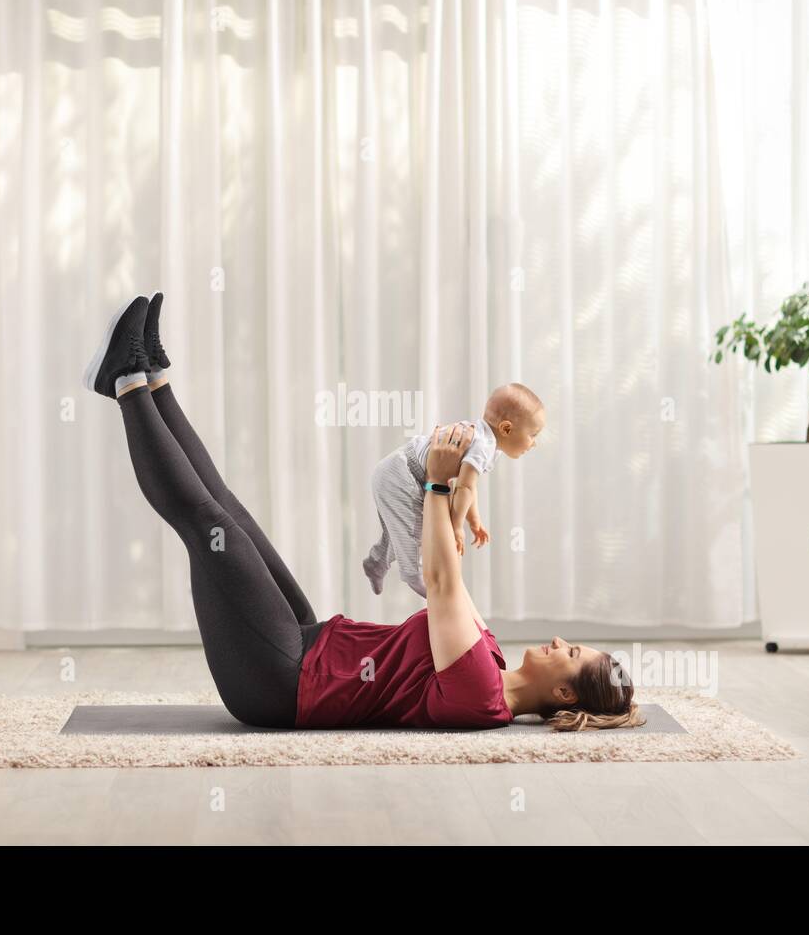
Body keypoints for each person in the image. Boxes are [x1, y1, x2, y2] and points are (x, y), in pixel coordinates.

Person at [83, 292, 643, 731]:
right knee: (232, 513)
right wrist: (448, 490)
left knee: (210, 526)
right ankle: (153, 377)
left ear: (564, 693)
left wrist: (438, 482)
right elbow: (447, 571)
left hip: (281, 682)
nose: (559, 642)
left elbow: (440, 582)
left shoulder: (481, 691)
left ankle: (124, 382)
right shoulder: (490, 661)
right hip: (309, 643)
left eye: (571, 653)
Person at [362, 383, 545, 597]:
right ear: (506, 429)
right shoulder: (482, 445)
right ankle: (414, 576)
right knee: (412, 533)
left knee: (399, 531)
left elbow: (468, 486)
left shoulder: (485, 441)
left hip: (395, 470)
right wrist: (457, 526)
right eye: (533, 435)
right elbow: (464, 487)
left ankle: (376, 562)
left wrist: (474, 521)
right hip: (401, 474)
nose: (534, 444)